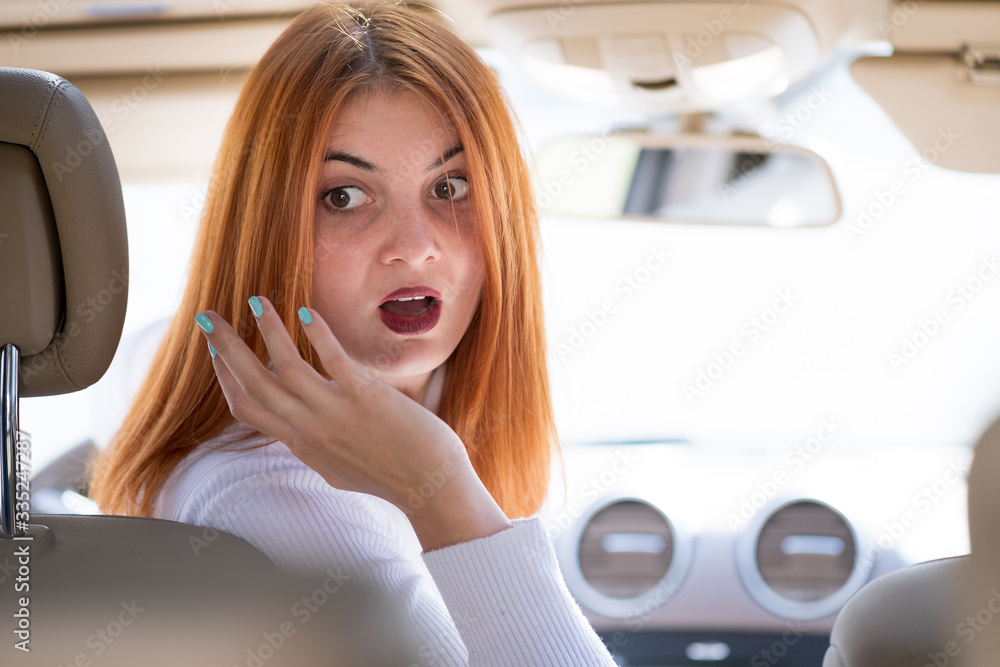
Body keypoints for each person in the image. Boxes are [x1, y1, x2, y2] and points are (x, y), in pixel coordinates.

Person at [91, 2, 616, 664]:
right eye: (344, 196)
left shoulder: (206, 402)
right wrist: (443, 492)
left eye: (451, 186)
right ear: (268, 230)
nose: (414, 247)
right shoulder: (271, 499)